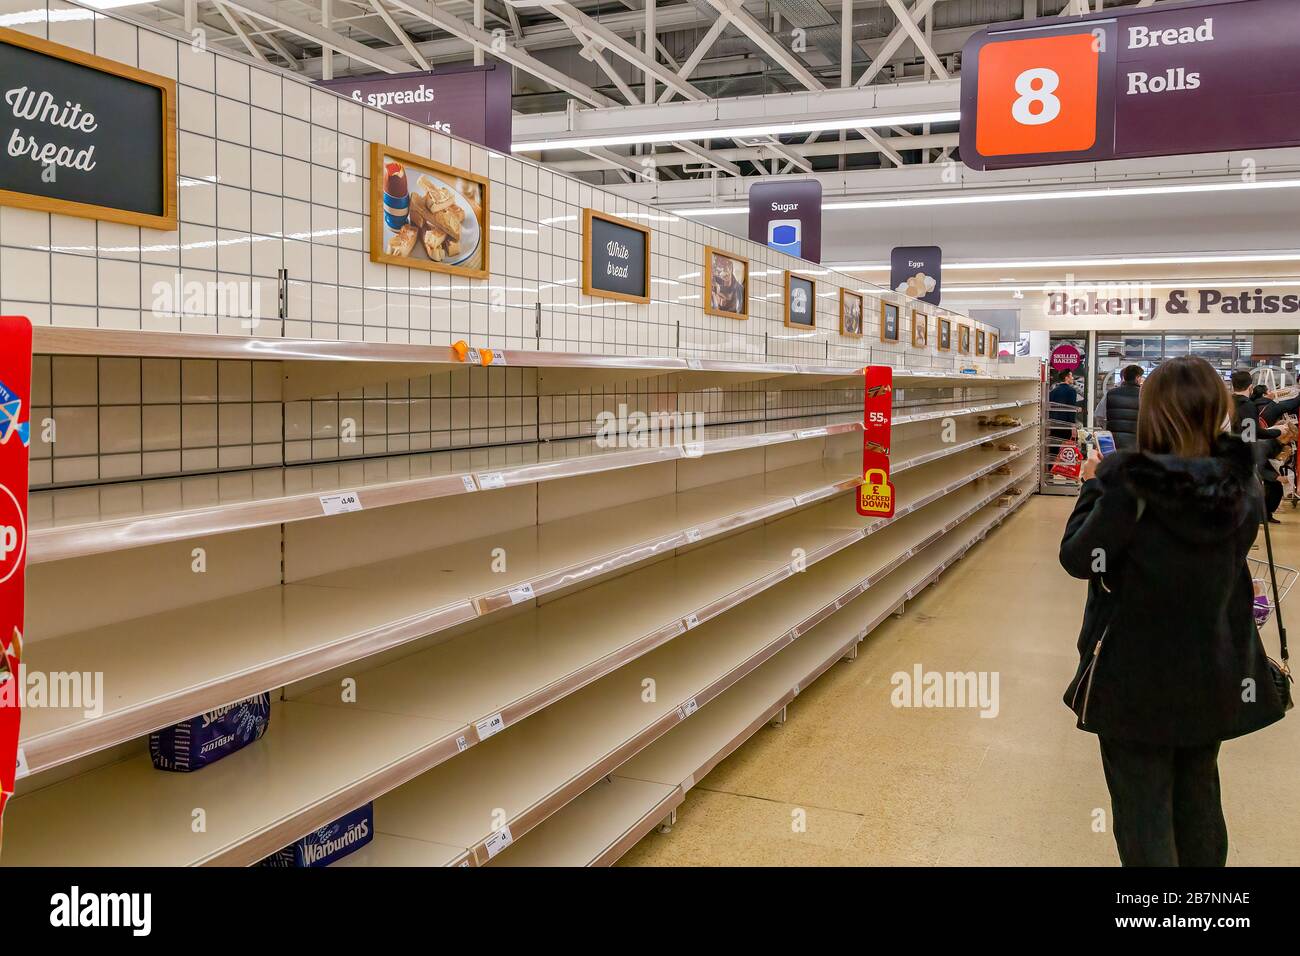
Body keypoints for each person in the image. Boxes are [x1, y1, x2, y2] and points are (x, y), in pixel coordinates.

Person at [1059, 356, 1288, 867]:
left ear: (1152, 413)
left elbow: (1079, 559)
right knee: (1199, 795)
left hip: (1134, 675)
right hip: (1215, 667)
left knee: (1143, 808)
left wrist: (1093, 484)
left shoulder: (1128, 487)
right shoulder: (1243, 484)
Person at [1102, 364, 1143, 450]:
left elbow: (1099, 415)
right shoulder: (1143, 395)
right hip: (1135, 441)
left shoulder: (1111, 393)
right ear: (1137, 378)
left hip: (1113, 441)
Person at [1048, 369, 1083, 448]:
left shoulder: (1053, 391)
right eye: (1071, 376)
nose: (1073, 378)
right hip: (1066, 425)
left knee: (1055, 448)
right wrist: (1073, 426)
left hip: (1054, 424)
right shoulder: (1071, 391)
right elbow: (1071, 410)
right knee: (1066, 449)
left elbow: (1050, 407)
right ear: (1066, 378)